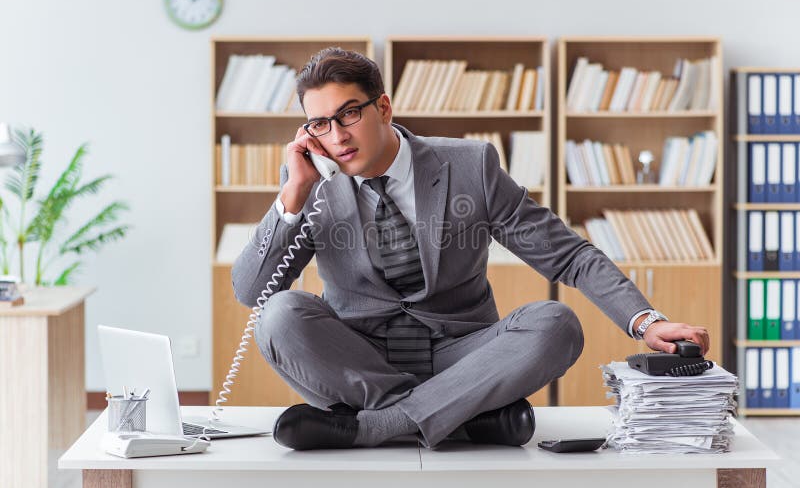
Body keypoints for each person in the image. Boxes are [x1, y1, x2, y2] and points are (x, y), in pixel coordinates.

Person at [231, 47, 710, 450]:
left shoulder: (469, 166)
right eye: (319, 124)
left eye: (349, 114)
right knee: (279, 313)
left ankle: (375, 427)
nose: (336, 137)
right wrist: (291, 198)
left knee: (555, 323)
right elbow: (252, 292)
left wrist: (647, 321)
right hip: (361, 359)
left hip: (462, 353)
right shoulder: (309, 182)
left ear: (383, 108)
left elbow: (568, 255)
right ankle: (462, 417)